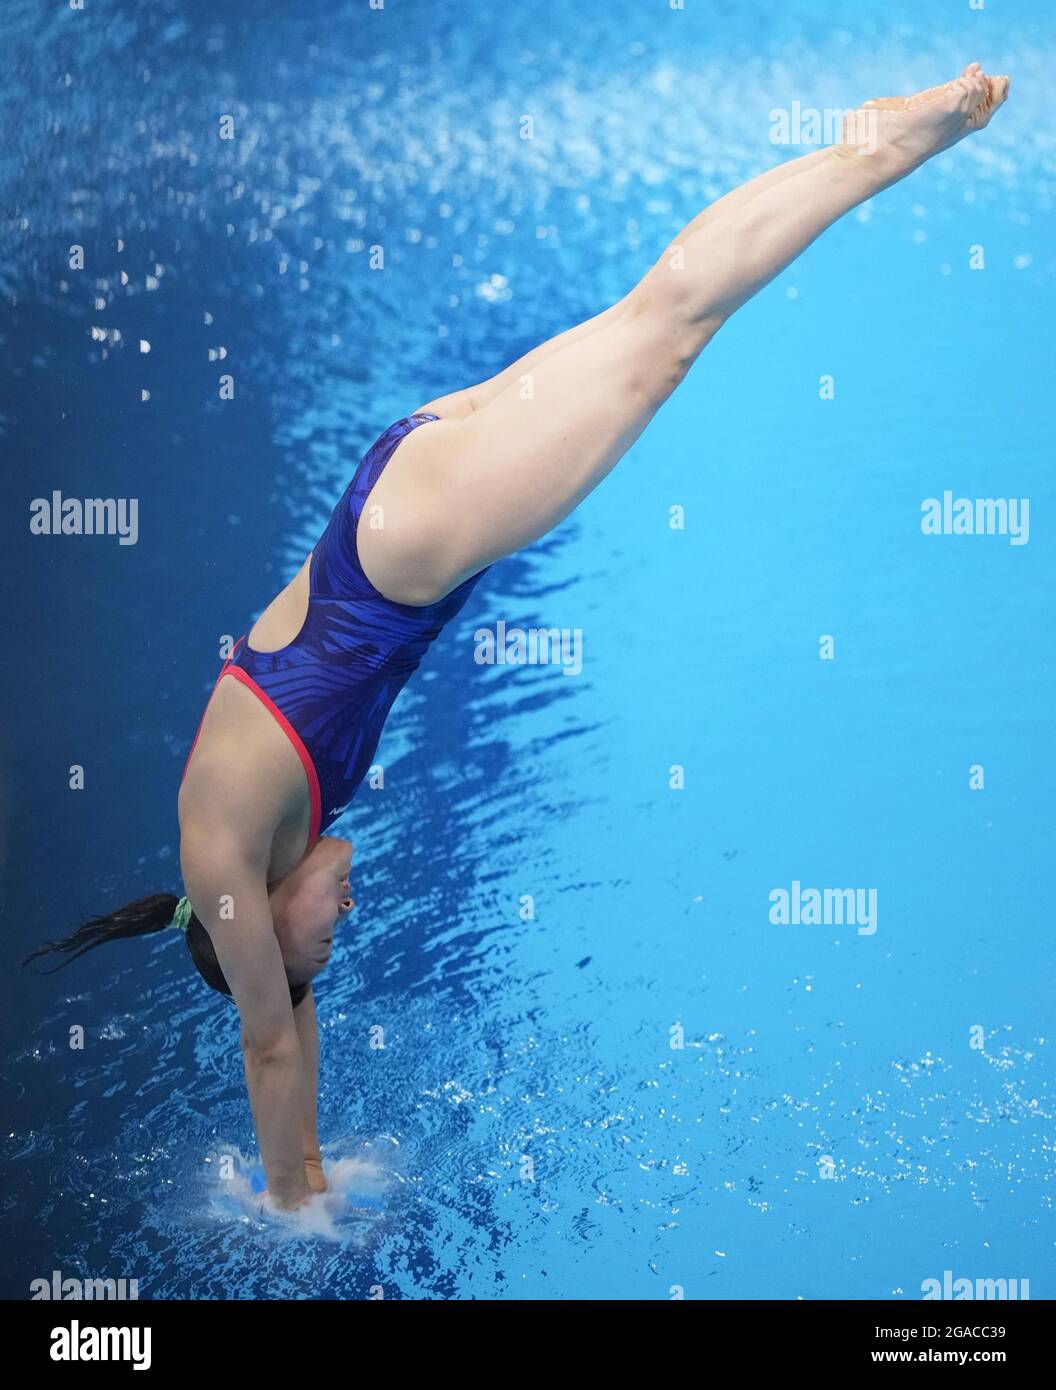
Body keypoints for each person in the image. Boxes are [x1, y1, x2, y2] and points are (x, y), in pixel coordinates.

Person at [23, 66, 1010, 1209]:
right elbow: (290, 1025)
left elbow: (271, 1040)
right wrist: (319, 1144)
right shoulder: (262, 844)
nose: (345, 921)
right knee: (652, 322)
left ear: (259, 925)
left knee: (671, 329)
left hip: (413, 541)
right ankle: (861, 151)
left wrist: (297, 1202)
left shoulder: (220, 857)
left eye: (319, 944)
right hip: (404, 499)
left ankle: (879, 151)